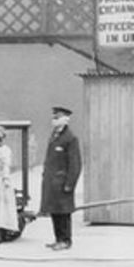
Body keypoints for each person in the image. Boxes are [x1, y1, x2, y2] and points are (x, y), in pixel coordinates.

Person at [40, 106, 82, 251]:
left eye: (57, 117)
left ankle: (66, 240)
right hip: (52, 183)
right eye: (53, 117)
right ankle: (58, 239)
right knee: (55, 212)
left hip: (62, 183)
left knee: (63, 213)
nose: (54, 120)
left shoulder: (70, 138)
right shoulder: (54, 136)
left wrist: (70, 184)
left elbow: (75, 164)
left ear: (65, 120)